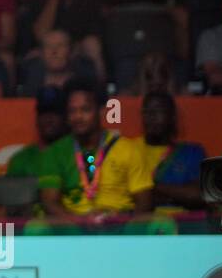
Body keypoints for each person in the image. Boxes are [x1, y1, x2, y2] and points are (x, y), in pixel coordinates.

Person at [30, 79, 170, 234]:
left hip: (120, 224)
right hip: (74, 226)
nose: (78, 117)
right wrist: (80, 221)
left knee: (162, 223)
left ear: (100, 111)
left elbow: (145, 200)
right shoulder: (55, 152)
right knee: (37, 226)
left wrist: (123, 222)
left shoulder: (127, 148)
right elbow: (49, 201)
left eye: (85, 110)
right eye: (72, 111)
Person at [129, 91, 208, 223]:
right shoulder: (128, 149)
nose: (151, 117)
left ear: (172, 116)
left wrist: (149, 189)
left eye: (158, 111)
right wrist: (176, 193)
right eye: (147, 111)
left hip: (184, 227)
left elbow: (197, 195)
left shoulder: (191, 152)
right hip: (141, 227)